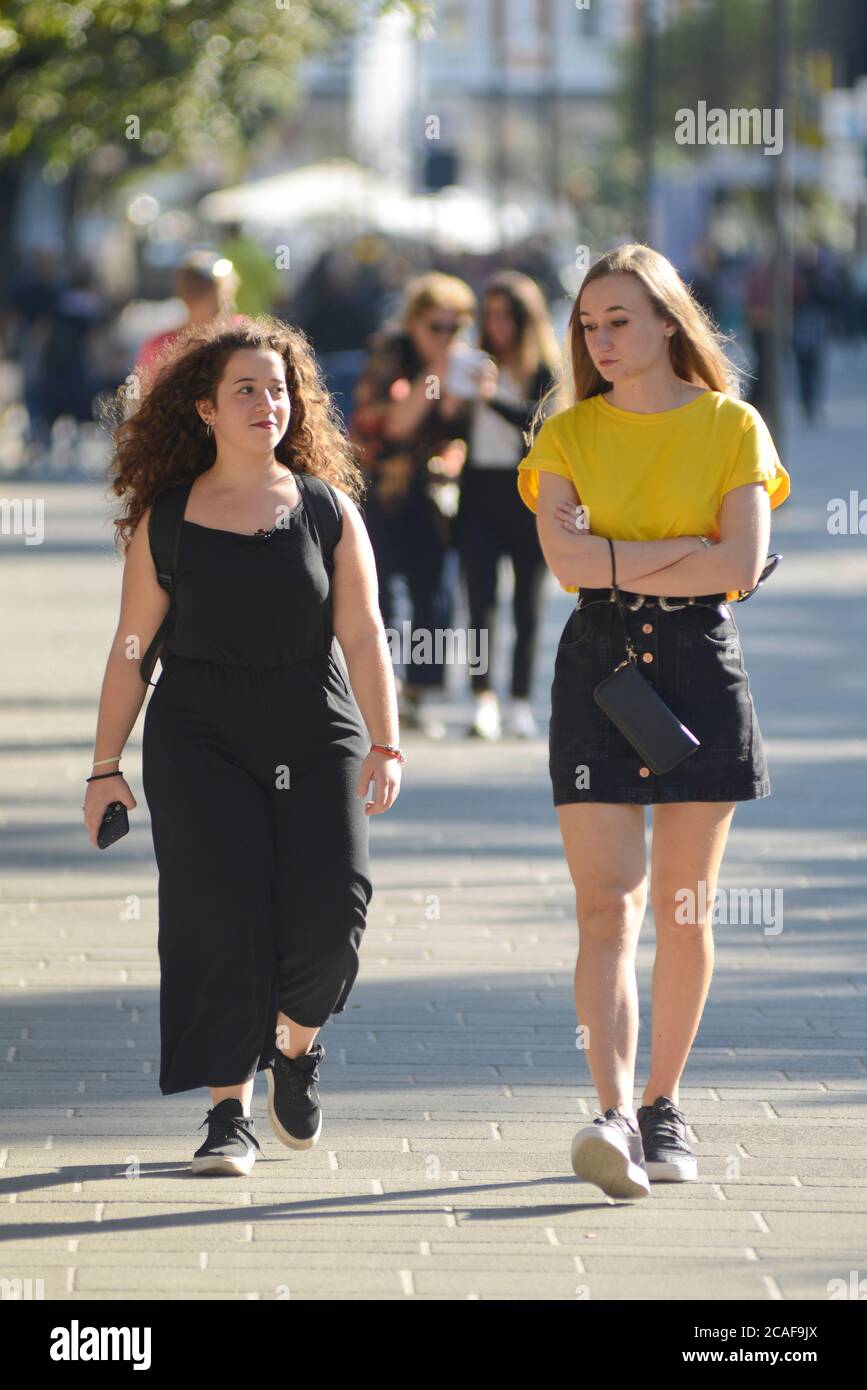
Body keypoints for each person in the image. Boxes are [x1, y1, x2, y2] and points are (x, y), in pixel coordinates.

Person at [85, 316, 404, 1176]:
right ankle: (228, 1114)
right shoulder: (168, 519)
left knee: (333, 913)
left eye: (278, 387)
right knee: (216, 918)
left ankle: (294, 1049)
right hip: (198, 733)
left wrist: (387, 742)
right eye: (246, 390)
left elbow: (366, 634)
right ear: (204, 409)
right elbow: (130, 650)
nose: (269, 402)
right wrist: (104, 767)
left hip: (313, 719)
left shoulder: (327, 509)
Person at [517, 243, 790, 1200]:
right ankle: (612, 1113)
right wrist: (681, 549)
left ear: (669, 321)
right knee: (607, 904)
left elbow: (738, 565)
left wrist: (623, 554)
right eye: (589, 325)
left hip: (695, 666)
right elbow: (567, 568)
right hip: (598, 667)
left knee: (682, 906)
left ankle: (664, 1103)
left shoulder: (729, 423)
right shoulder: (567, 432)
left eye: (619, 319)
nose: (600, 339)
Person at [348, 272, 475, 739]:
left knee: (434, 592)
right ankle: (384, 687)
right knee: (379, 592)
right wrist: (437, 373)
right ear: (415, 322)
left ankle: (420, 693)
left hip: (436, 492)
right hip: (381, 488)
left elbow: (457, 421)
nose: (445, 337)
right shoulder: (391, 354)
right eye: (435, 327)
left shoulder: (463, 361)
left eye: (455, 327)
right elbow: (396, 424)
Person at [455, 271, 563, 740]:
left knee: (527, 603)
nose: (497, 324)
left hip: (527, 495)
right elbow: (453, 423)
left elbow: (537, 426)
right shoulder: (473, 363)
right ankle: (483, 697)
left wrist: (491, 398)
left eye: (507, 315)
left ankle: (519, 698)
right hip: (478, 492)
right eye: (490, 314)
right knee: (479, 601)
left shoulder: (543, 370)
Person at [135, 250, 240, 378]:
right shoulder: (161, 348)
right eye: (222, 298)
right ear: (189, 298)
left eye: (229, 296)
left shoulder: (242, 333)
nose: (230, 305)